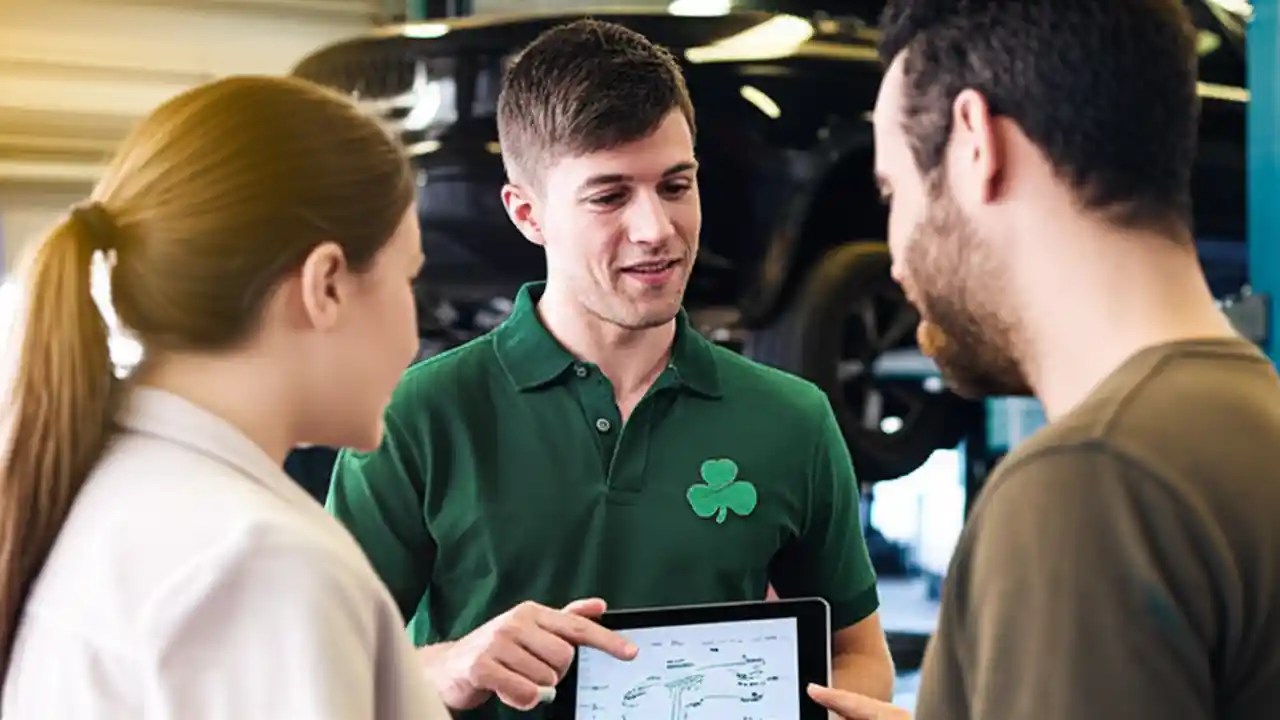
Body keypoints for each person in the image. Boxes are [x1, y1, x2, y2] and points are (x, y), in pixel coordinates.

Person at [326, 18, 895, 719]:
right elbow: (321, 672)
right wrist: (450, 667)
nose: (656, 230)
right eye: (609, 195)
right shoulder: (420, 417)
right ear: (527, 212)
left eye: (676, 186)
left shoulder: (793, 420)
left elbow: (860, 655)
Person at [806, 0, 1280, 718]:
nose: (894, 256)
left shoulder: (1089, 482)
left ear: (974, 144)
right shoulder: (1246, 420)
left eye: (893, 192)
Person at [0, 75, 452, 719]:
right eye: (409, 280)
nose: (415, 334)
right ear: (325, 284)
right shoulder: (260, 564)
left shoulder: (99, 486)